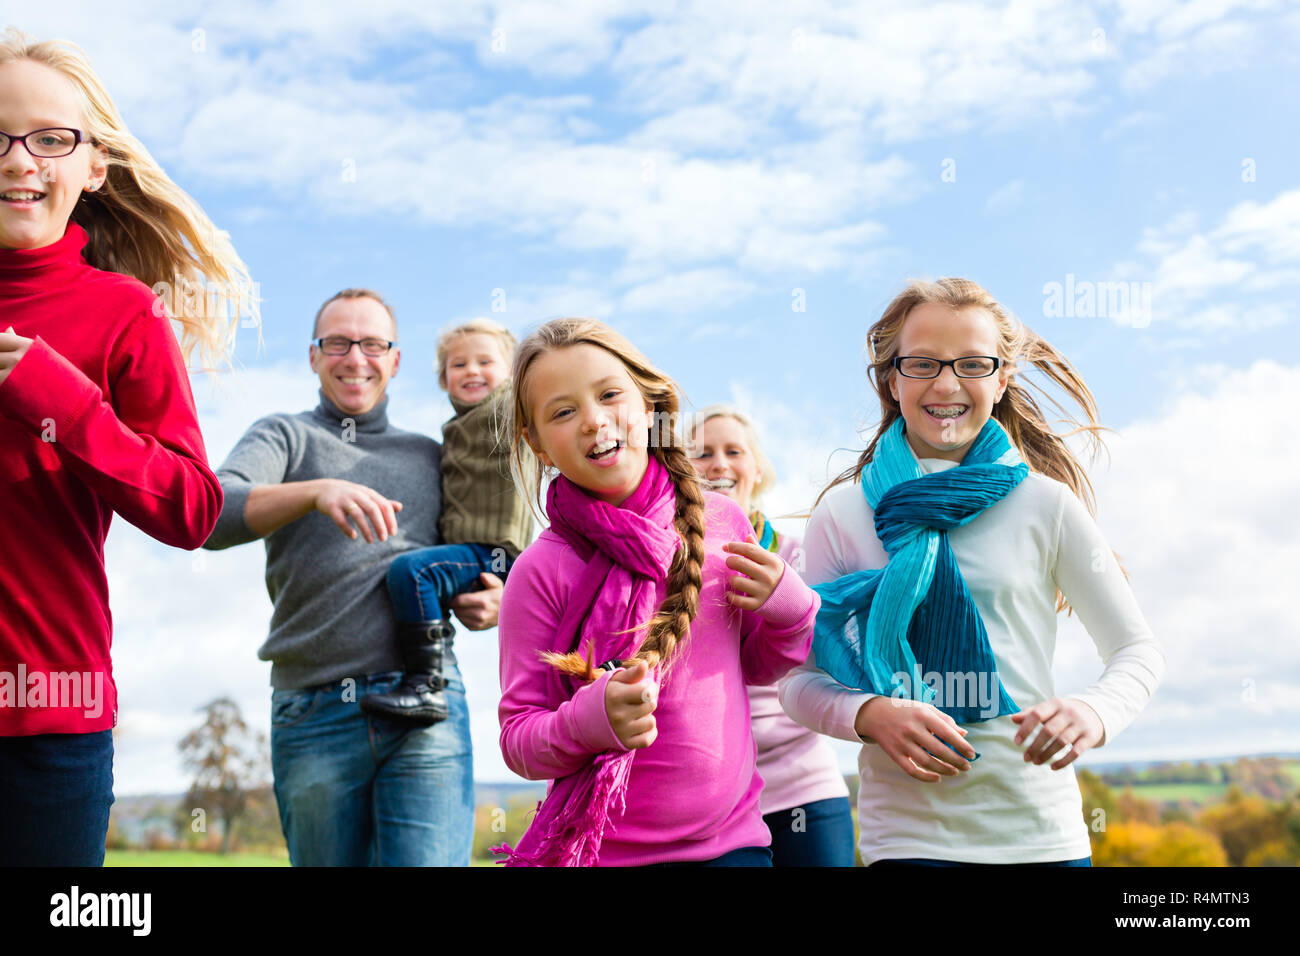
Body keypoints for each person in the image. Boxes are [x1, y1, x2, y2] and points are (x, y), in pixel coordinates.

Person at [780, 278, 1165, 866]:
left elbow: (1137, 650)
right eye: (923, 363)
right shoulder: (844, 512)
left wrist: (1092, 712)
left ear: (1002, 377)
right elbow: (798, 680)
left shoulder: (1045, 503)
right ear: (891, 378)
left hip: (1042, 835)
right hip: (909, 839)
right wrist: (870, 714)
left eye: (971, 364)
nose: (946, 384)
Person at [0, 30, 253, 866]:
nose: (18, 161)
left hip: (49, 721)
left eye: (49, 138)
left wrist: (66, 404)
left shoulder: (123, 315)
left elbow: (193, 509)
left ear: (93, 165)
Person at [495, 318, 819, 867]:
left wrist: (792, 610)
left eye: (609, 394)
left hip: (732, 846)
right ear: (538, 445)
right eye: (563, 411)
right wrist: (587, 721)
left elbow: (758, 667)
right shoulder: (539, 570)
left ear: (649, 406)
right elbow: (519, 737)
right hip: (604, 854)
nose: (594, 420)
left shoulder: (722, 523)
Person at [202, 288, 503, 867]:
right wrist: (316, 492)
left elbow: (486, 544)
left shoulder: (433, 455)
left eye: (372, 343)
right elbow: (213, 513)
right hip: (314, 711)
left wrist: (495, 596)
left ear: (395, 360)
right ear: (313, 356)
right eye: (337, 342)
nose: (355, 357)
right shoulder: (284, 437)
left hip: (428, 703)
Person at [686, 405, 854, 866]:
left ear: (756, 469)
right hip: (718, 803)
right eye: (701, 454)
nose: (718, 463)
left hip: (806, 790)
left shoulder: (795, 555)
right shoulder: (673, 567)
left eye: (733, 451)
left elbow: (830, 652)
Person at [361, 318, 533, 724]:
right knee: (422, 571)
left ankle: (426, 685)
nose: (471, 371)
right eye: (459, 365)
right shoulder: (453, 429)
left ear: (511, 373)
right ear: (443, 379)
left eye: (485, 362)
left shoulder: (512, 412)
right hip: (467, 553)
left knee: (412, 571)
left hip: (495, 552)